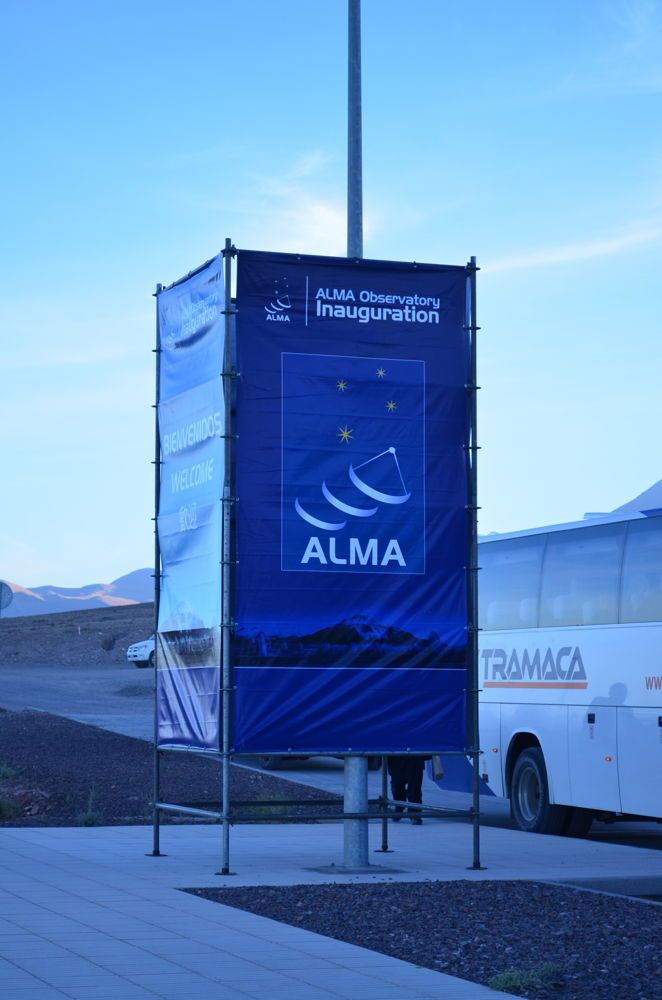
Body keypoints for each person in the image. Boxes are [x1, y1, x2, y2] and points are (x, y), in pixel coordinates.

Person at [387, 755, 426, 824]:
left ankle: (414, 812)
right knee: (397, 784)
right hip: (396, 755)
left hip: (414, 755)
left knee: (414, 785)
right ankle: (399, 807)